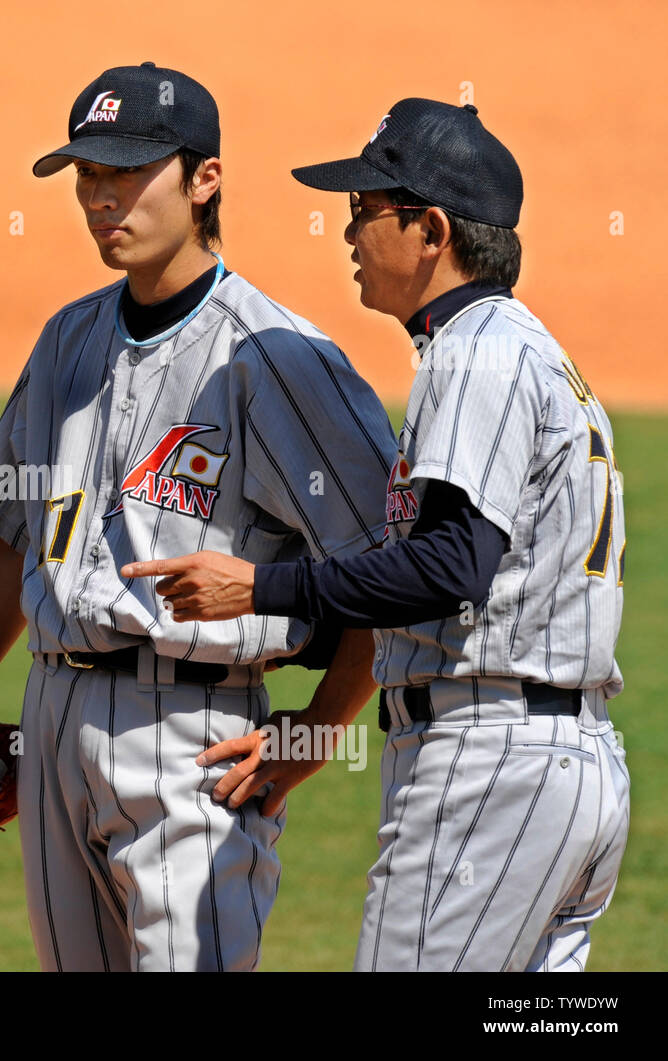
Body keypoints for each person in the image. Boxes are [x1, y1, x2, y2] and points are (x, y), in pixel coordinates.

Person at [123, 98, 630, 971]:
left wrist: (259, 588)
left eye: (364, 211)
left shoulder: (475, 352)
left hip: (490, 767)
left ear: (430, 229)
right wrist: (317, 720)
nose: (348, 233)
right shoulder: (529, 351)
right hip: (565, 762)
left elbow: (450, 567)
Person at [0, 63, 397, 971]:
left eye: (127, 174)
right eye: (87, 177)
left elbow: (390, 565)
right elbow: (15, 536)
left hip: (194, 731)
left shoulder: (278, 358)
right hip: (51, 711)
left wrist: (312, 733)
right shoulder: (67, 337)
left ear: (204, 179)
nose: (103, 199)